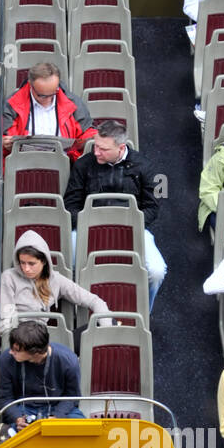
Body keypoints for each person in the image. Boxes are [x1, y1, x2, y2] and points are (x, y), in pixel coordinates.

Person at [63, 120, 167, 309]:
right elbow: (70, 205)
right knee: (68, 265)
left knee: (157, 271)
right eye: (95, 146)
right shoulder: (83, 165)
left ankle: (144, 313)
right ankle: (77, 311)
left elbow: (152, 208)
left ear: (120, 148)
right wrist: (89, 223)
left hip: (131, 229)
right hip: (88, 227)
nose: (96, 152)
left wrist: (130, 227)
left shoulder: (144, 167)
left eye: (103, 149)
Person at [0, 231, 111, 338]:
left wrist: (106, 328)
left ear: (44, 261)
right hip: (21, 339)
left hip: (46, 339)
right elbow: (6, 321)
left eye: (31, 263)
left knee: (109, 322)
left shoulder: (56, 280)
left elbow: (94, 301)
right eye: (22, 263)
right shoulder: (8, 277)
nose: (26, 268)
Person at [0, 62, 97, 162]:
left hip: (63, 163)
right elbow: (1, 139)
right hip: (24, 162)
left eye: (53, 93)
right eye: (42, 96)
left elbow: (87, 131)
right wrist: (4, 143)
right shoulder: (13, 104)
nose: (48, 100)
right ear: (30, 85)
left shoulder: (73, 103)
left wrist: (92, 136)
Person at [0, 318, 84, 426]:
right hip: (22, 409)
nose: (11, 352)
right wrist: (17, 418)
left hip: (58, 407)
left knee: (81, 428)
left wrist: (57, 416)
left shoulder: (68, 361)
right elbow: (5, 398)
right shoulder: (5, 360)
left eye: (16, 350)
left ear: (35, 352)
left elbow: (72, 397)